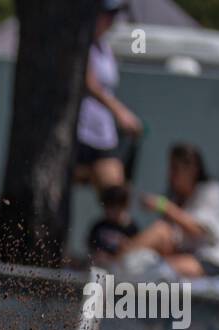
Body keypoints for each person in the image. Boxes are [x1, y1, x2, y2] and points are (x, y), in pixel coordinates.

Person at [121, 143, 219, 278]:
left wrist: (164, 206)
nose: (170, 175)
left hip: (218, 262)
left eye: (175, 168)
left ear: (193, 169)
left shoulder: (213, 191)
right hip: (189, 258)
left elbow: (198, 230)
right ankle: (118, 261)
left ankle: (116, 268)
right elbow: (170, 239)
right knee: (158, 241)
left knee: (155, 269)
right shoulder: (179, 198)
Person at [73, 0, 142, 195]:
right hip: (79, 132)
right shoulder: (81, 43)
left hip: (102, 135)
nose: (111, 20)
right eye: (107, 14)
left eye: (113, 15)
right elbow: (89, 84)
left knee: (115, 197)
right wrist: (120, 113)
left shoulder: (105, 48)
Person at [87, 184, 138, 265]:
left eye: (114, 207)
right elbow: (90, 247)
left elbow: (135, 252)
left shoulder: (132, 228)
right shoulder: (99, 226)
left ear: (124, 206)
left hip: (120, 269)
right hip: (101, 266)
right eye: (107, 207)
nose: (109, 211)